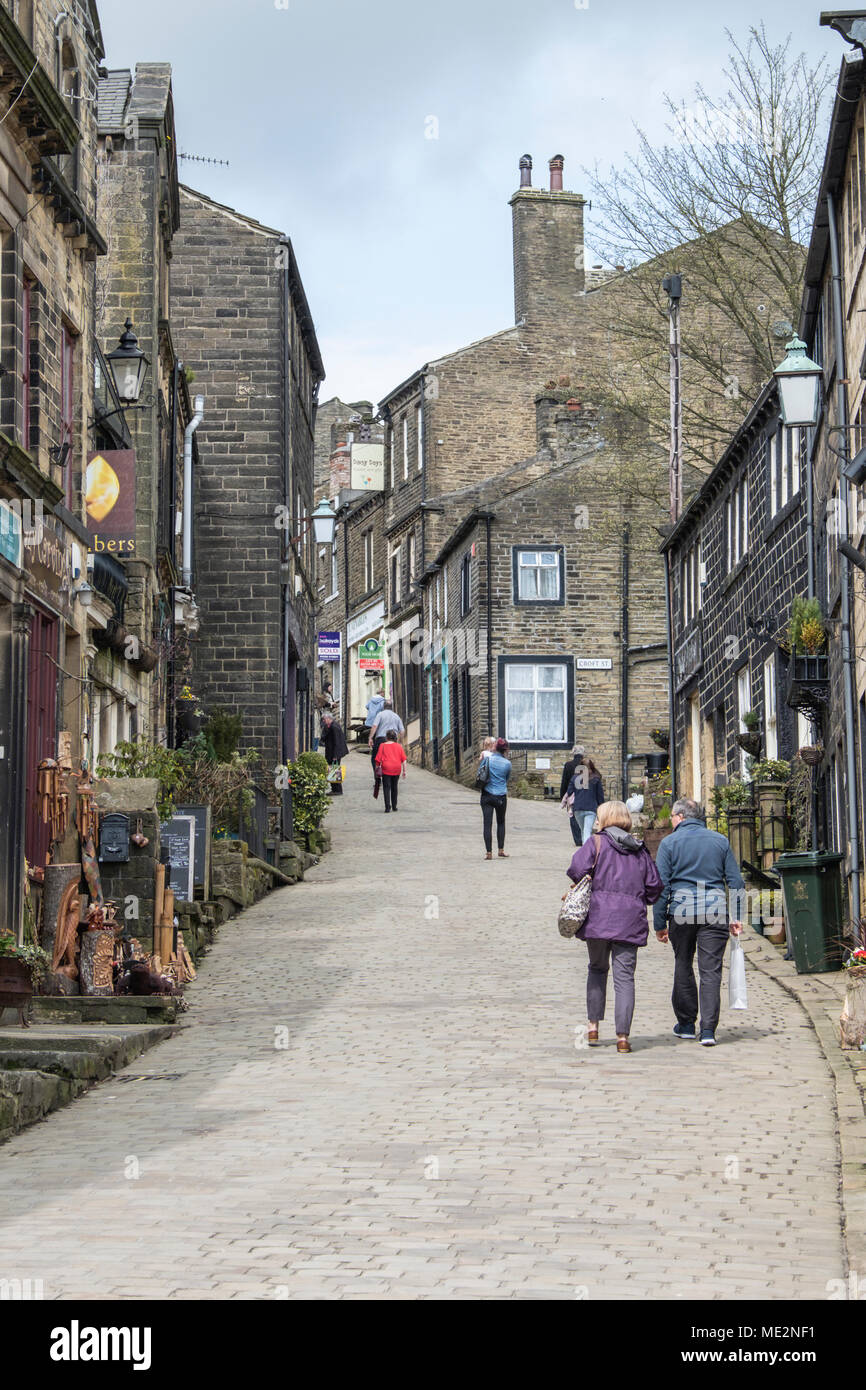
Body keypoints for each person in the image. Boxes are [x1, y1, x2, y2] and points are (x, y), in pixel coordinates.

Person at [566, 800, 663, 1053]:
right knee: (625, 978)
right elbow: (654, 887)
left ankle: (593, 1026)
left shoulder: (596, 843)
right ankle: (622, 1037)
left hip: (598, 919)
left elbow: (576, 869)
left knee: (597, 969)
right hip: (630, 921)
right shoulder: (639, 851)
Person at [653, 797, 745, 1047]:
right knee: (711, 970)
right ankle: (707, 1030)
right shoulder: (720, 841)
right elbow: (735, 882)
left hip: (681, 911)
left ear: (680, 817)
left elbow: (662, 886)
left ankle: (685, 1024)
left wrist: (659, 922)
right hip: (715, 910)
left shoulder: (669, 843)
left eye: (672, 817)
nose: (671, 821)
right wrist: (737, 916)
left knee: (683, 963)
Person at [479, 737, 511, 859]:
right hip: (501, 796)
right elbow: (506, 779)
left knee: (487, 824)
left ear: (495, 748)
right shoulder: (507, 764)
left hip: (487, 794)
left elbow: (481, 773)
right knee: (501, 822)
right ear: (505, 750)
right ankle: (501, 850)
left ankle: (488, 853)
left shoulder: (487, 759)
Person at [565, 754, 604, 846]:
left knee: (584, 831)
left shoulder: (575, 778)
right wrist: (601, 808)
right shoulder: (596, 779)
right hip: (591, 808)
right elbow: (600, 796)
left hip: (578, 808)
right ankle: (586, 853)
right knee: (587, 831)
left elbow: (569, 792)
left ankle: (584, 852)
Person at [369, 699, 405, 786]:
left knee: (375, 759)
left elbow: (374, 726)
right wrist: (400, 741)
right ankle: (392, 778)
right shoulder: (396, 716)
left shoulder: (380, 714)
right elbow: (402, 731)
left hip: (381, 739)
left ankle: (378, 780)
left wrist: (370, 738)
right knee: (392, 759)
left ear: (383, 707)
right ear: (392, 707)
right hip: (393, 740)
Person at [375, 729, 407, 813]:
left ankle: (387, 807)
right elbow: (404, 760)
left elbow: (378, 760)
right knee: (394, 787)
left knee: (386, 787)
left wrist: (377, 769)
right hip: (396, 769)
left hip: (386, 768)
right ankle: (394, 806)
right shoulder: (399, 746)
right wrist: (404, 771)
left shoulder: (382, 745)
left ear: (386, 737)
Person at [320, 711, 348, 796]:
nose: (323, 721)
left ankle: (337, 789)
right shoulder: (329, 726)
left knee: (334, 770)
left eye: (324, 719)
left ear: (329, 718)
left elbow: (337, 742)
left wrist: (335, 755)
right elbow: (323, 738)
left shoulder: (334, 727)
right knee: (333, 770)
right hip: (331, 752)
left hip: (334, 753)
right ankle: (335, 789)